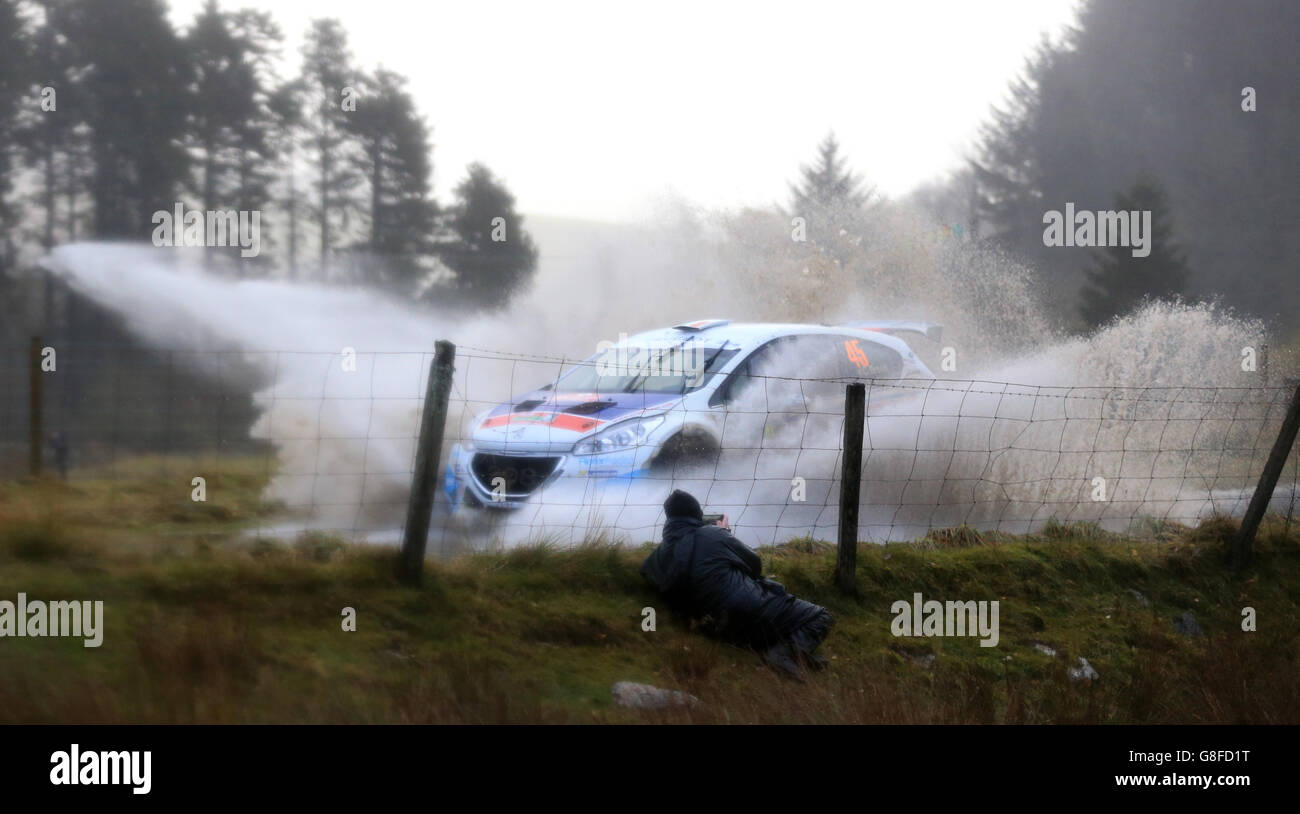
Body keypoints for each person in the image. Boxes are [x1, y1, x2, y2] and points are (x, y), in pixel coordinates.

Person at [640, 489, 834, 679]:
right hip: (749, 609)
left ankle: (793, 655)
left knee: (768, 626)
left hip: (715, 627)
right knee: (819, 616)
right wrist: (725, 533)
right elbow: (755, 565)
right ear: (698, 514)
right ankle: (781, 655)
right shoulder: (714, 534)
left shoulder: (657, 557)